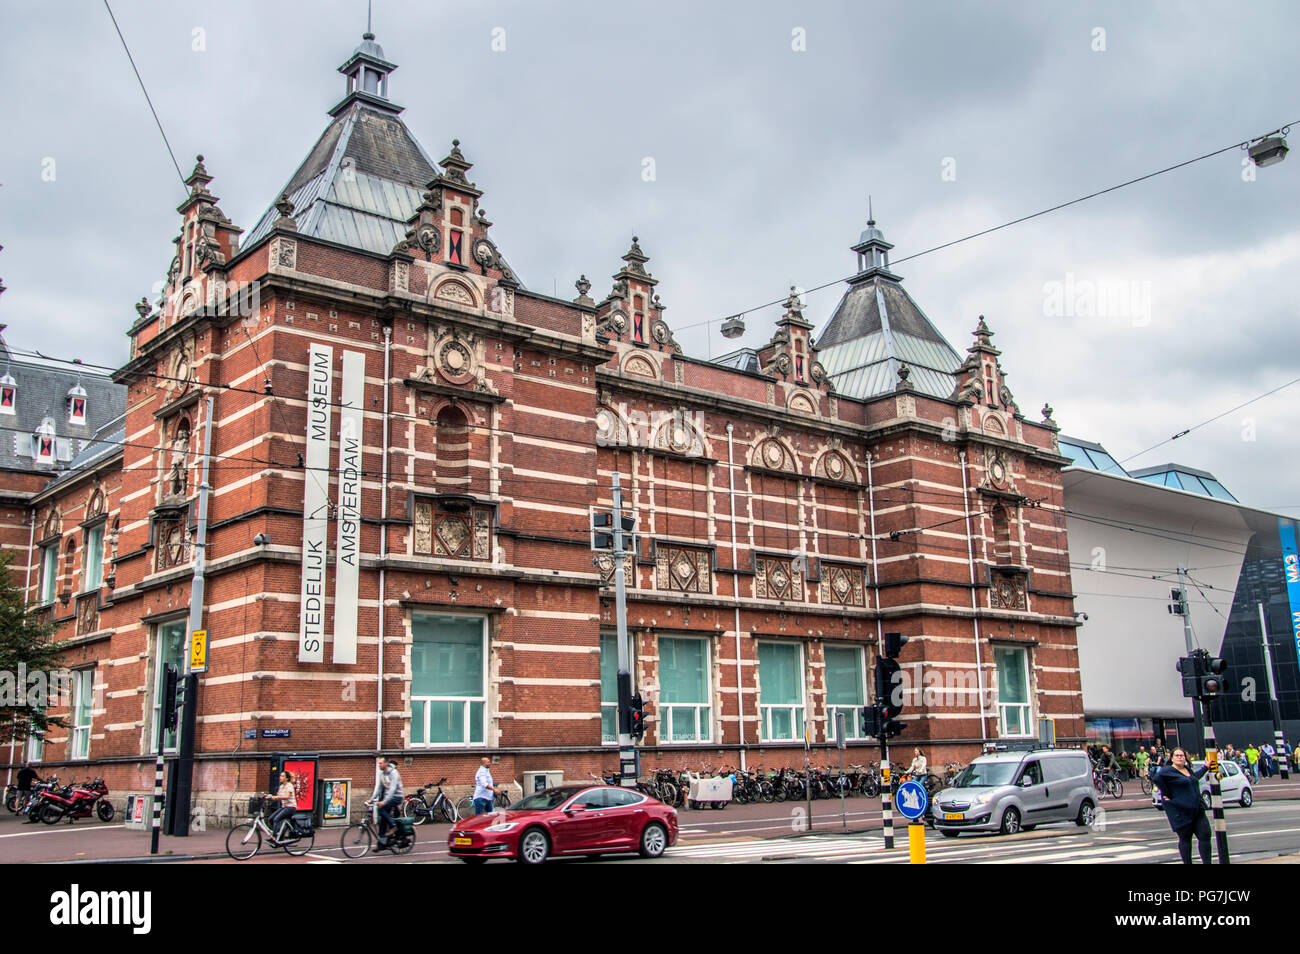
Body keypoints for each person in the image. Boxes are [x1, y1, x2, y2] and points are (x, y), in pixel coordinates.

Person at [1154, 748, 1211, 864]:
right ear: (1172, 758)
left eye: (1182, 755)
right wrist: (1167, 793)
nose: (1180, 757)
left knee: (1205, 834)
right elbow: (1157, 779)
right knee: (1185, 838)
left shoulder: (1187, 770)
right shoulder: (1168, 771)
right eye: (1177, 755)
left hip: (1197, 808)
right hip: (1181, 811)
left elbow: (1194, 778)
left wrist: (1206, 767)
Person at [370, 756, 403, 848]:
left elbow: (392, 789)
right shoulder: (382, 774)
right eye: (378, 763)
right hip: (387, 799)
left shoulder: (394, 773)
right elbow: (379, 788)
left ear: (386, 763)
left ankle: (393, 825)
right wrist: (371, 799)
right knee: (382, 821)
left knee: (381, 809)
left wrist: (384, 802)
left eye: (380, 763)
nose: (379, 765)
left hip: (396, 797)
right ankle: (381, 844)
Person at [269, 770, 298, 842]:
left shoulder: (289, 785)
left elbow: (287, 796)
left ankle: (274, 837)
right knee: (271, 819)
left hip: (291, 807)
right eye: (280, 776)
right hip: (284, 807)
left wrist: (277, 797)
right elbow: (278, 796)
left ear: (287, 778)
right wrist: (269, 797)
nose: (280, 777)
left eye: (282, 776)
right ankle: (280, 834)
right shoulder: (281, 786)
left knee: (276, 819)